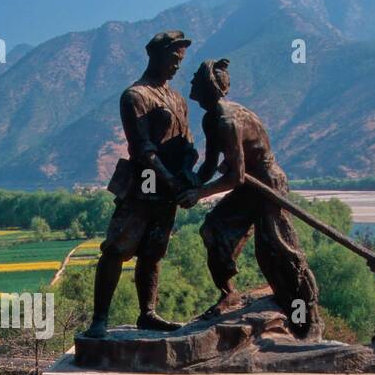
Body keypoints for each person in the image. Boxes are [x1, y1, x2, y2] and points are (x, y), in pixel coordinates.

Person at [180, 58, 321, 339]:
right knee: (213, 229)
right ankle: (229, 293)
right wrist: (187, 181)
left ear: (208, 86)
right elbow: (210, 166)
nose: (191, 84)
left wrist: (199, 193)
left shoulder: (227, 120)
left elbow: (236, 177)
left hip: (267, 185)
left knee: (277, 251)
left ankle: (307, 316)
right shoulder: (212, 118)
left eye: (195, 79)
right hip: (251, 185)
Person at [82, 30, 198, 339]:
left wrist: (188, 174)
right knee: (117, 248)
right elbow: (142, 149)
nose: (177, 65)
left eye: (180, 61)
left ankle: (148, 313)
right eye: (173, 59)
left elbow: (188, 144)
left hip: (168, 192)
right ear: (155, 56)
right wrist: (171, 179)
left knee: (153, 252)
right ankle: (99, 320)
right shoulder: (135, 96)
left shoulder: (176, 98)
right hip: (143, 185)